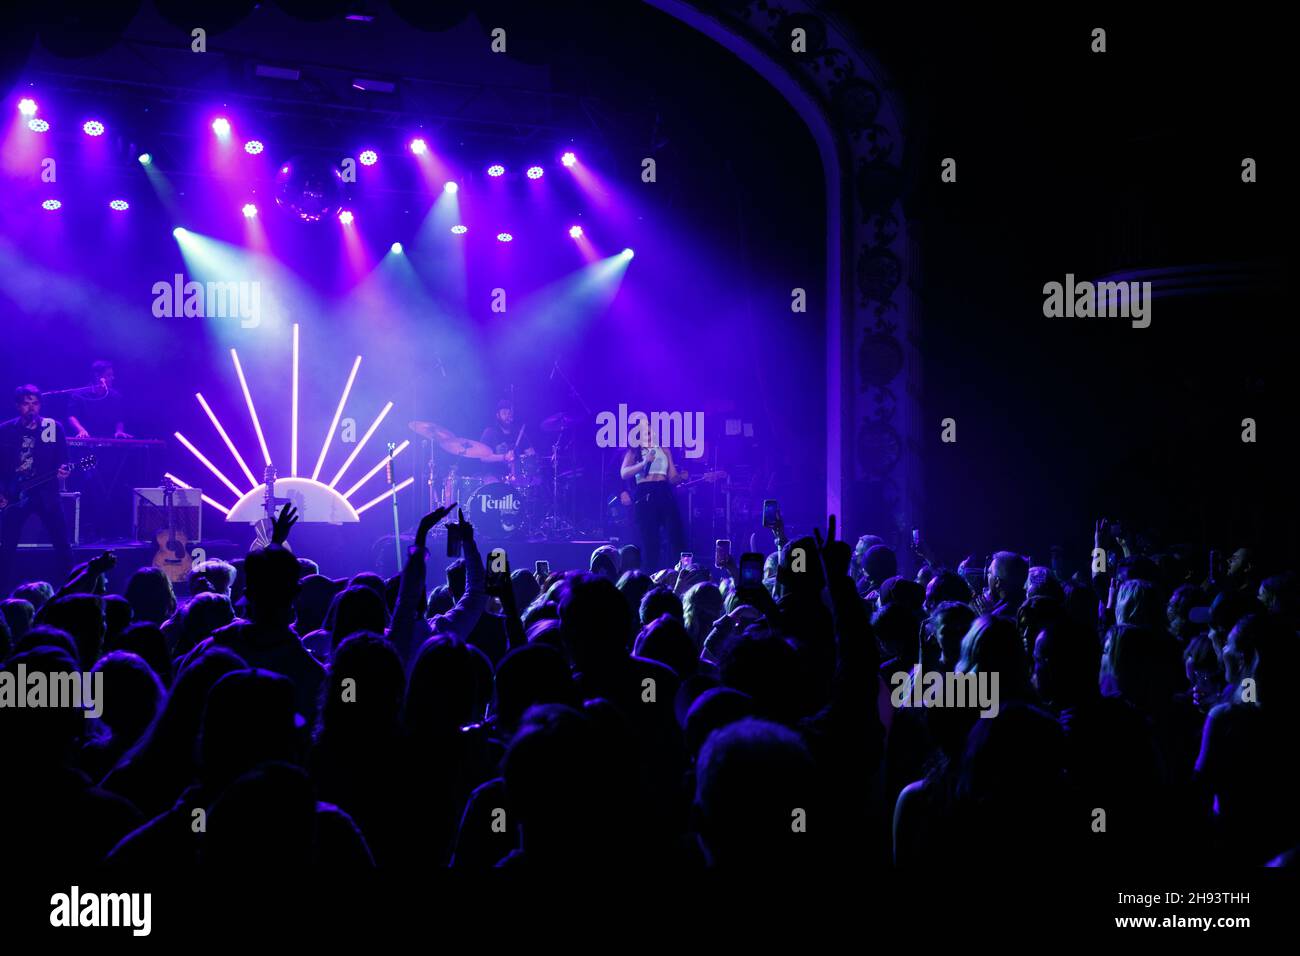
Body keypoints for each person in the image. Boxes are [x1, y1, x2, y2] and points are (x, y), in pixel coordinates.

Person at [0, 385, 72, 591]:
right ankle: (4, 591)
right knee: (7, 546)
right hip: (14, 495)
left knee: (62, 543)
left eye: (35, 403)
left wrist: (64, 470)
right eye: (26, 403)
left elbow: (64, 460)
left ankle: (70, 590)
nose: (31, 408)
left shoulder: (52, 427)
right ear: (17, 406)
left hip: (46, 494)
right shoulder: (5, 430)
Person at [619, 423, 687, 573]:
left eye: (651, 432)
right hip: (645, 493)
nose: (649, 435)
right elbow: (624, 473)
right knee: (650, 539)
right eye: (645, 433)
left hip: (663, 491)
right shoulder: (634, 452)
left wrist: (681, 477)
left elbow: (672, 477)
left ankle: (682, 573)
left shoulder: (664, 450)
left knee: (676, 534)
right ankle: (648, 575)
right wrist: (644, 462)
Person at [67, 360, 129, 439]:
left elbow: (119, 417)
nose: (112, 378)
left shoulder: (115, 396)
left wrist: (119, 431)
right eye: (109, 375)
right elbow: (71, 416)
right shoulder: (79, 395)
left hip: (109, 439)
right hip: (86, 439)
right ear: (98, 376)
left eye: (112, 375)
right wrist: (81, 430)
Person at [479, 400, 534, 479]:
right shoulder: (490, 432)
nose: (508, 416)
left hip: (516, 476)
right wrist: (504, 457)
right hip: (494, 475)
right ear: (498, 415)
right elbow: (483, 458)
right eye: (504, 413)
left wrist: (526, 458)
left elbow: (531, 453)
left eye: (509, 413)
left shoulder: (518, 433)